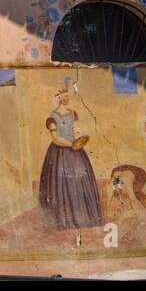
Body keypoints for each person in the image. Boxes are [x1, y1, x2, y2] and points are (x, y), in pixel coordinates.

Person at [38, 85, 103, 229]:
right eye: (65, 96)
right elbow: (55, 139)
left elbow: (75, 130)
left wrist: (79, 138)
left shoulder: (73, 113)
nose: (67, 98)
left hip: (75, 150)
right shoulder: (52, 117)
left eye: (68, 95)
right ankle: (65, 221)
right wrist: (71, 145)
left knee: (80, 180)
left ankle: (83, 218)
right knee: (61, 184)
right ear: (59, 98)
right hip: (59, 152)